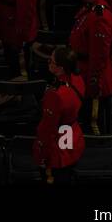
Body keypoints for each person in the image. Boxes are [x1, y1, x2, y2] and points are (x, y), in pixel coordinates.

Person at [69, 0, 112, 133]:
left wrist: (94, 82)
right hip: (81, 71)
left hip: (92, 77)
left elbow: (99, 55)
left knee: (92, 125)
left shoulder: (100, 16)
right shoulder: (89, 9)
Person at [33, 46, 85, 183]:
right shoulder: (78, 79)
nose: (48, 62)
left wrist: (42, 156)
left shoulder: (55, 95)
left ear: (61, 68)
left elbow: (47, 130)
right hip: (73, 136)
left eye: (51, 61)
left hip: (57, 146)